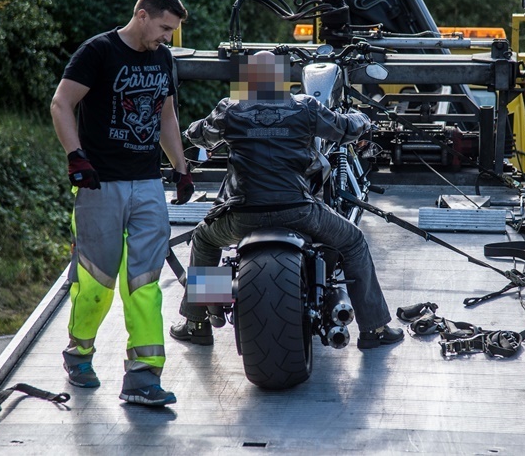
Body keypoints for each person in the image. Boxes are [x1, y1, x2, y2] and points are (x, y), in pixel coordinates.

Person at [169, 50, 403, 349]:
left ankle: (197, 322)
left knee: (205, 240)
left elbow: (199, 136)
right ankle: (375, 329)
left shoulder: (230, 109)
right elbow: (344, 130)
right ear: (281, 79)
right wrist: (362, 117)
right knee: (353, 240)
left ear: (248, 80)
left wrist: (197, 131)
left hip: (242, 213)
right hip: (298, 210)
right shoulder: (304, 106)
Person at [50, 0, 194, 407]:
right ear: (142, 15)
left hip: (147, 183)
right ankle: (78, 354)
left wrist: (181, 169)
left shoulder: (162, 57)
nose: (167, 37)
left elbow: (166, 115)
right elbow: (61, 104)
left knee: (145, 282)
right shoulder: (98, 52)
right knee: (97, 281)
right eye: (164, 28)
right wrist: (76, 157)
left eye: (173, 31)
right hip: (100, 185)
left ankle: (142, 377)